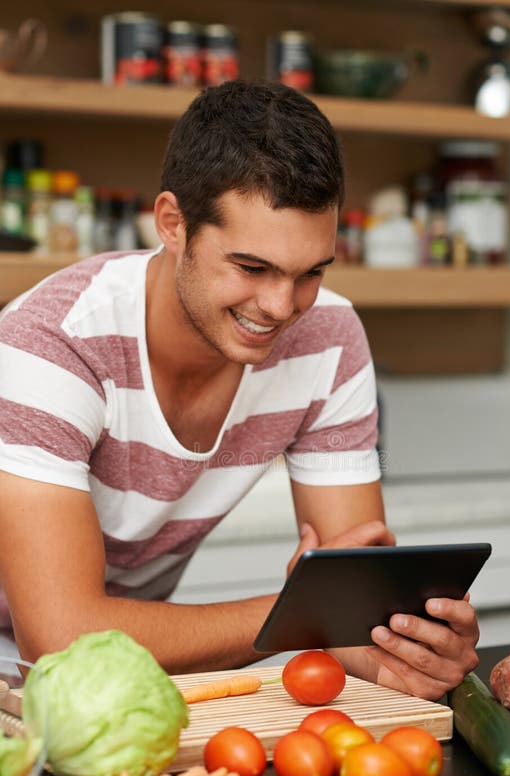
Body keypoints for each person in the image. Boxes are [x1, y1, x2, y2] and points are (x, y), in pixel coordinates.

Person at [0, 80, 478, 700]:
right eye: (252, 268)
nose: (281, 307)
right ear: (173, 223)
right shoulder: (50, 345)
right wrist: (302, 614)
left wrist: (403, 647)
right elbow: (60, 637)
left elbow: (354, 597)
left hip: (122, 679)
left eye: (310, 272)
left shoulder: (328, 338)